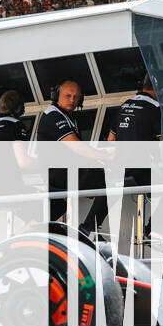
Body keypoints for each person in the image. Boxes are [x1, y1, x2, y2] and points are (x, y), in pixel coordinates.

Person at [106, 75, 163, 247]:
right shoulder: (155, 108)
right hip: (140, 171)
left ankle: (152, 231)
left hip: (120, 171)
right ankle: (157, 228)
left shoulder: (125, 104)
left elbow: (110, 140)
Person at [35, 79, 108, 230]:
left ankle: (30, 232)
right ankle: (89, 228)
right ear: (56, 96)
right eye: (68, 96)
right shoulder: (54, 115)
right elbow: (77, 146)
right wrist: (107, 157)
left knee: (47, 217)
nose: (72, 100)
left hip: (62, 175)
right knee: (111, 182)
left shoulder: (67, 116)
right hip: (61, 175)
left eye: (76, 97)